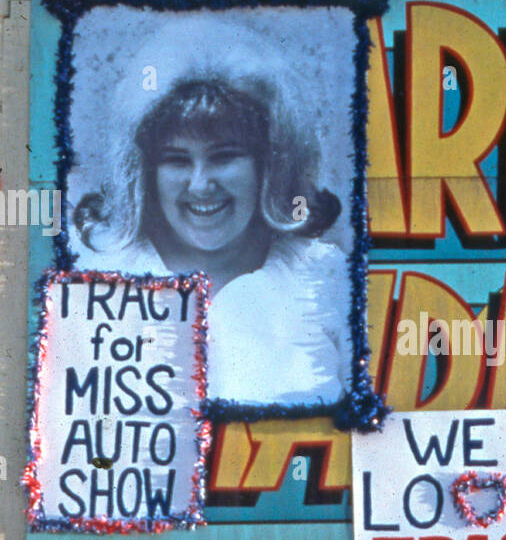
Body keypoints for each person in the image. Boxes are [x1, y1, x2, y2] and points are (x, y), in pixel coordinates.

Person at [70, 24, 352, 407]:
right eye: (176, 160)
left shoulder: (328, 279)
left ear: (270, 165)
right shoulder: (93, 282)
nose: (201, 184)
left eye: (224, 156)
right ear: (146, 173)